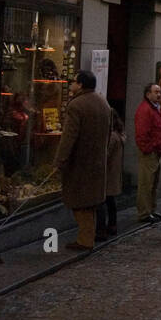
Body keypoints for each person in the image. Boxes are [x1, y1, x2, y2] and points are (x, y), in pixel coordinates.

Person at [54, 70, 111, 252]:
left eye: (73, 82)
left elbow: (68, 137)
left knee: (80, 203)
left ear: (80, 84)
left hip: (80, 163)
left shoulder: (76, 105)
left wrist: (60, 161)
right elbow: (108, 135)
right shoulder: (103, 103)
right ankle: (87, 236)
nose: (71, 85)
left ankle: (85, 239)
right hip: (97, 162)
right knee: (91, 202)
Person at [135, 82, 161, 224]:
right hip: (150, 152)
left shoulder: (156, 108)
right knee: (146, 183)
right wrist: (149, 149)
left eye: (160, 92)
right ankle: (144, 213)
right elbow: (142, 133)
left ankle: (151, 210)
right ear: (148, 94)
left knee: (153, 183)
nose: (159, 94)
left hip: (156, 152)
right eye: (156, 92)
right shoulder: (145, 110)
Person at [95, 110, 125, 241]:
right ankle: (112, 225)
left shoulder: (112, 137)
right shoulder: (118, 135)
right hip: (113, 173)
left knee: (102, 201)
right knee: (110, 200)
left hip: (107, 173)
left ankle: (101, 230)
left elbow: (105, 155)